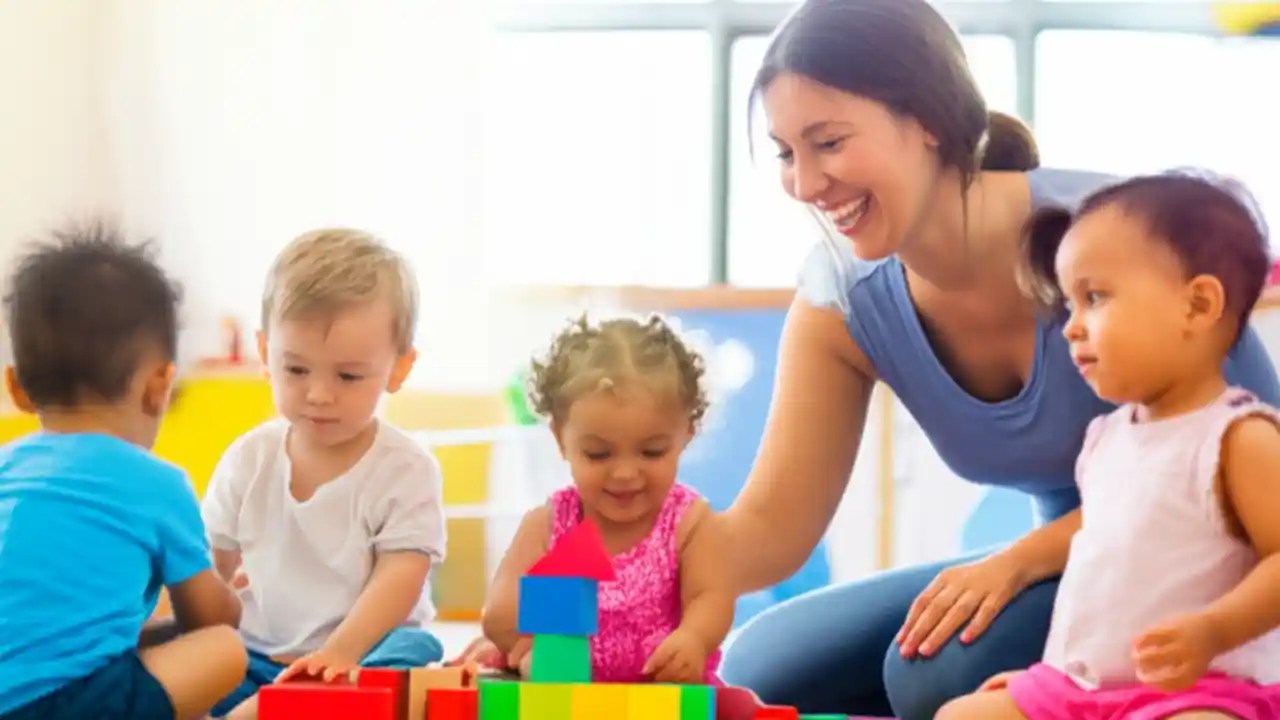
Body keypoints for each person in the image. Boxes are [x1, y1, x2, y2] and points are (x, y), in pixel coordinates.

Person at [714, 1, 1280, 718]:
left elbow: (1245, 485)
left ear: (925, 120)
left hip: (1194, 575)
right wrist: (611, 582)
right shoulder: (843, 301)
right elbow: (768, 528)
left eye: (827, 142)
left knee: (934, 674)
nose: (804, 184)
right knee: (759, 667)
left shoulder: (1114, 239)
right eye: (788, 153)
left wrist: (1019, 560)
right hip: (1070, 563)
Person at [937, 172, 1280, 719]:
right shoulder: (1106, 438)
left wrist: (1217, 629)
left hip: (1199, 691)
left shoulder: (1239, 437)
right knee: (961, 715)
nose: (1070, 328)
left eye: (1093, 298)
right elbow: (1111, 535)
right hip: (1079, 690)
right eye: (1068, 305)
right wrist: (1047, 676)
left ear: (1197, 305)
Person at [0, 225, 247, 720]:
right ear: (160, 386)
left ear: (17, 388)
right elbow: (210, 617)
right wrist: (229, 589)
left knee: (139, 641)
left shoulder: (7, 467)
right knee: (223, 649)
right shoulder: (156, 483)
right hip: (71, 703)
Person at [202, 229, 447, 718]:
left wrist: (341, 652)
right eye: (296, 370)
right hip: (259, 655)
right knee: (189, 658)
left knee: (413, 657)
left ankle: (282, 707)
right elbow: (212, 560)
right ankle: (271, 705)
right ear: (265, 351)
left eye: (348, 376)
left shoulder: (405, 468)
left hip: (361, 655)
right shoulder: (250, 458)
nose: (318, 394)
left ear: (399, 369)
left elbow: (401, 576)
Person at [478, 314, 733, 684]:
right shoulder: (549, 524)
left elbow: (711, 598)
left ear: (686, 436)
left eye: (652, 452)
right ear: (560, 439)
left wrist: (693, 638)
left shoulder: (690, 523)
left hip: (661, 693)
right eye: (598, 454)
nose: (625, 474)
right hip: (566, 696)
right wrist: (526, 643)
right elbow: (499, 612)